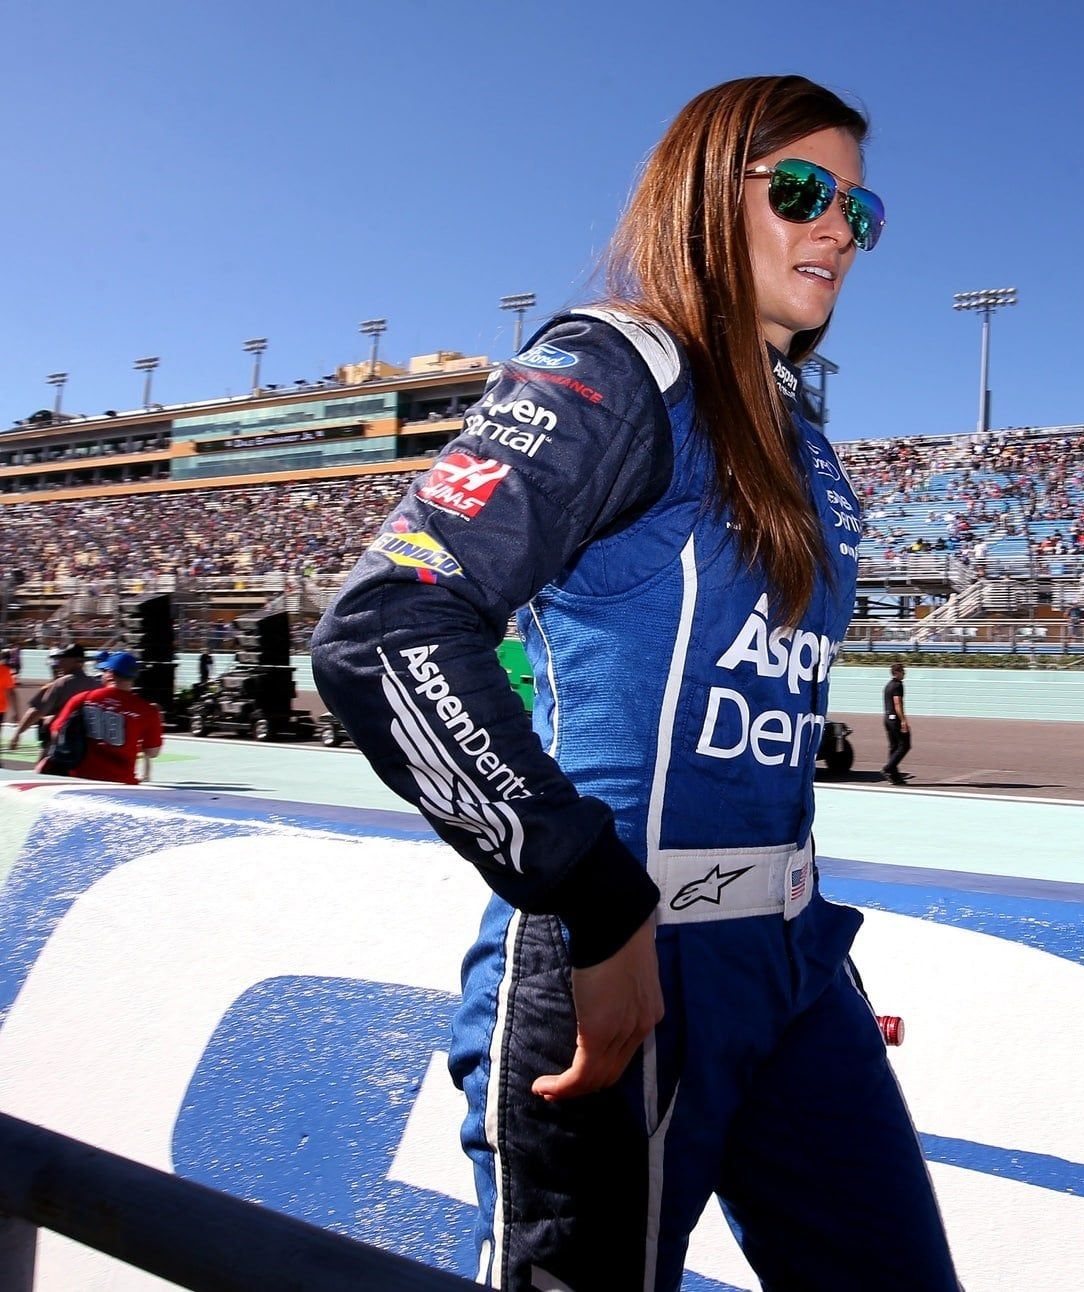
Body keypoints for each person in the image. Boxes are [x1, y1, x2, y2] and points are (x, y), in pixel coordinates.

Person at [310, 77, 956, 1290]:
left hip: (796, 959)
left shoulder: (810, 445)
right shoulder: (617, 367)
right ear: (707, 195)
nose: (837, 229)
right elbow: (386, 625)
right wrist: (596, 901)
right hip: (624, 955)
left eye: (859, 212)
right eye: (803, 192)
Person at [39, 650, 163, 785]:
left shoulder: (82, 699)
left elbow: (56, 733)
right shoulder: (148, 710)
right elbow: (152, 752)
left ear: (110, 673)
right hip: (122, 782)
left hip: (81, 778)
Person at [10, 644, 92, 757]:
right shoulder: (96, 685)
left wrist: (18, 732)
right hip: (86, 744)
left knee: (45, 765)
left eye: (63, 658)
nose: (60, 662)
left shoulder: (61, 683)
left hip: (59, 741)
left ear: (75, 661)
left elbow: (37, 711)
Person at [883, 662, 912, 785]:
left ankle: (893, 776)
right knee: (905, 745)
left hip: (887, 719)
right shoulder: (898, 685)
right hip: (895, 719)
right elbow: (897, 704)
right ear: (896, 673)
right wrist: (903, 721)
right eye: (902, 671)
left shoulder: (888, 685)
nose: (904, 674)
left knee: (894, 747)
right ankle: (888, 768)